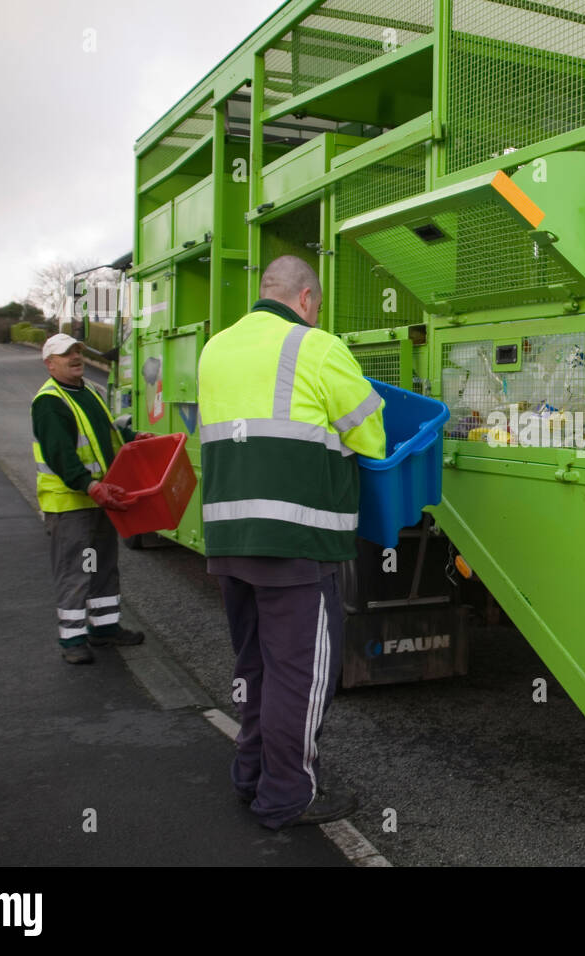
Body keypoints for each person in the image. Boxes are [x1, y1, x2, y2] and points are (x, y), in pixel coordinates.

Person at [198, 255, 385, 830]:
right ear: (306, 299)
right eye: (317, 306)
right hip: (297, 541)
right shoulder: (318, 346)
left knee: (256, 665)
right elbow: (371, 436)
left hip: (230, 538)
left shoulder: (215, 349)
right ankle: (288, 796)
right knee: (301, 676)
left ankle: (251, 775)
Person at [31, 333, 147, 665]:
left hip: (99, 497)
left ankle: (105, 629)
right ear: (50, 363)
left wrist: (131, 436)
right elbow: (60, 455)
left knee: (102, 566)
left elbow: (106, 431)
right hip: (71, 503)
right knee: (75, 570)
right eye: (66, 354)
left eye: (78, 351)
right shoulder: (50, 401)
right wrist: (89, 485)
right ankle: (72, 640)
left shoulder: (89, 392)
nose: (75, 357)